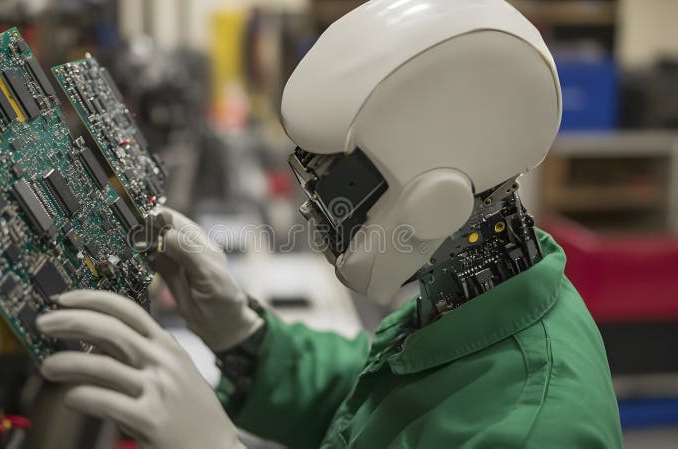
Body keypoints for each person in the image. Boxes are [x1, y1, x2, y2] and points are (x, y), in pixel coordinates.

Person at [36, 0, 623, 447]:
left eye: (337, 194)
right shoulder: (474, 296)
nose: (312, 217)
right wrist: (245, 338)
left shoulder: (535, 429)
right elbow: (379, 398)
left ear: (433, 202)